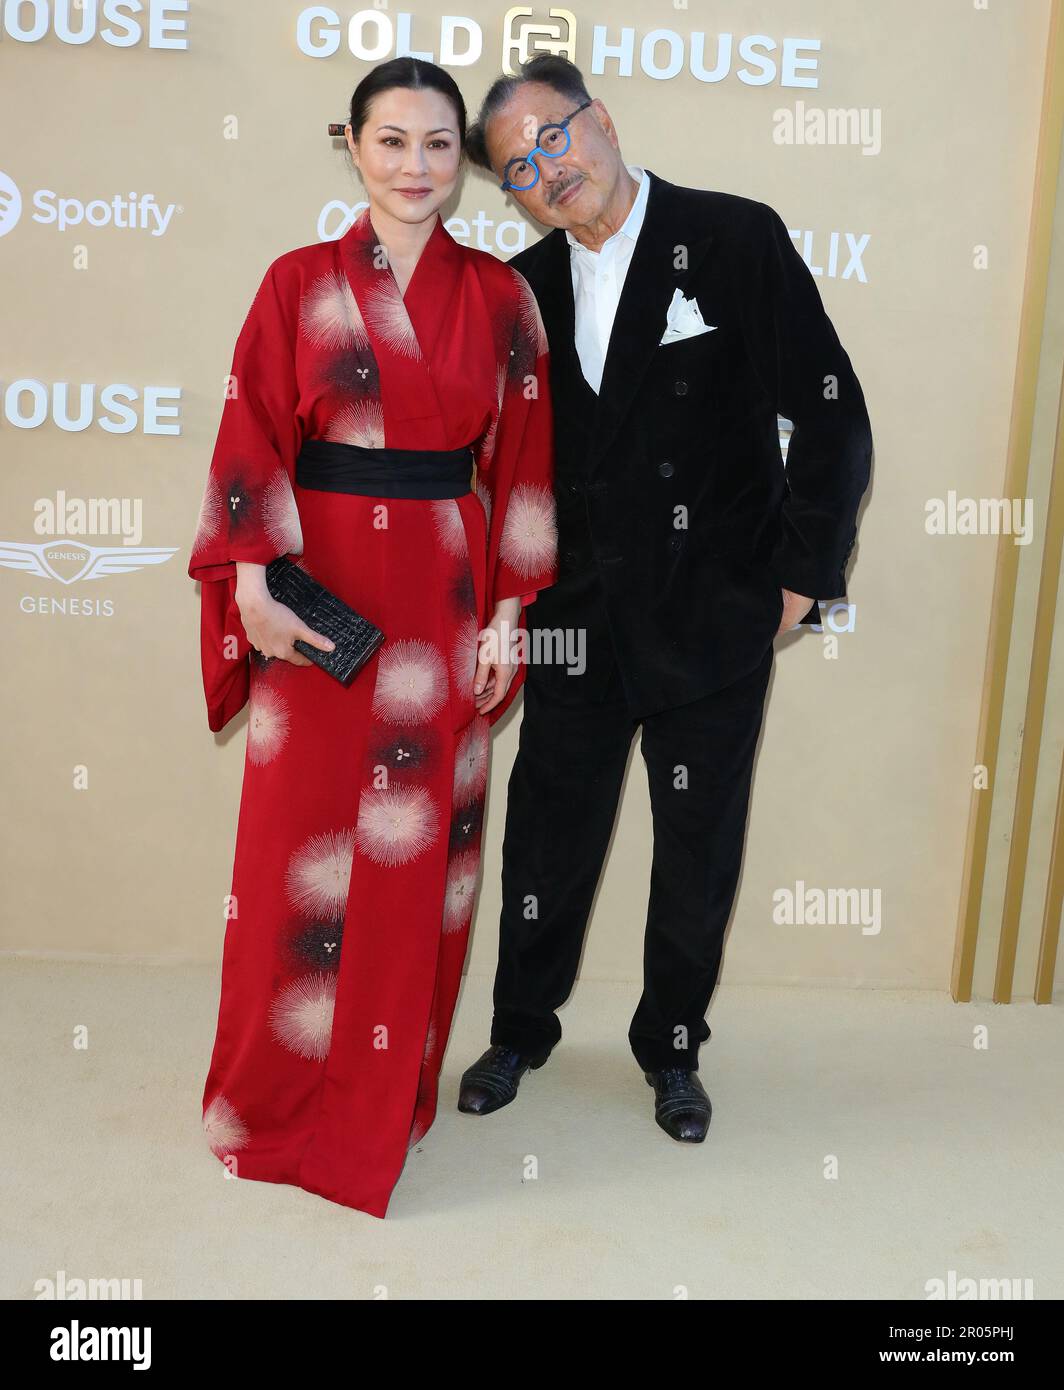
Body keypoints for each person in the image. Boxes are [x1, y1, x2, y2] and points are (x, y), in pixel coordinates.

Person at [457, 54, 873, 1140]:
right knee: (545, 840)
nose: (545, 172)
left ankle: (671, 1051)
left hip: (714, 616)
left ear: (600, 119)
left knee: (696, 851)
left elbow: (831, 412)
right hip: (572, 627)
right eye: (515, 169)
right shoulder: (521, 288)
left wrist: (798, 580)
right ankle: (519, 1028)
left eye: (552, 138)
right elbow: (503, 471)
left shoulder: (733, 237)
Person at [188, 57, 557, 1218]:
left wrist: (508, 612)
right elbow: (250, 422)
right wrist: (249, 579)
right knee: (294, 856)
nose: (414, 167)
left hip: (443, 597)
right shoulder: (295, 282)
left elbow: (525, 468)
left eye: (439, 145)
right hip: (316, 595)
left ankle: (379, 1098)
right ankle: (270, 1098)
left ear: (466, 161)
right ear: (350, 146)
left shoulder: (502, 299)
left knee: (413, 857)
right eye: (391, 142)